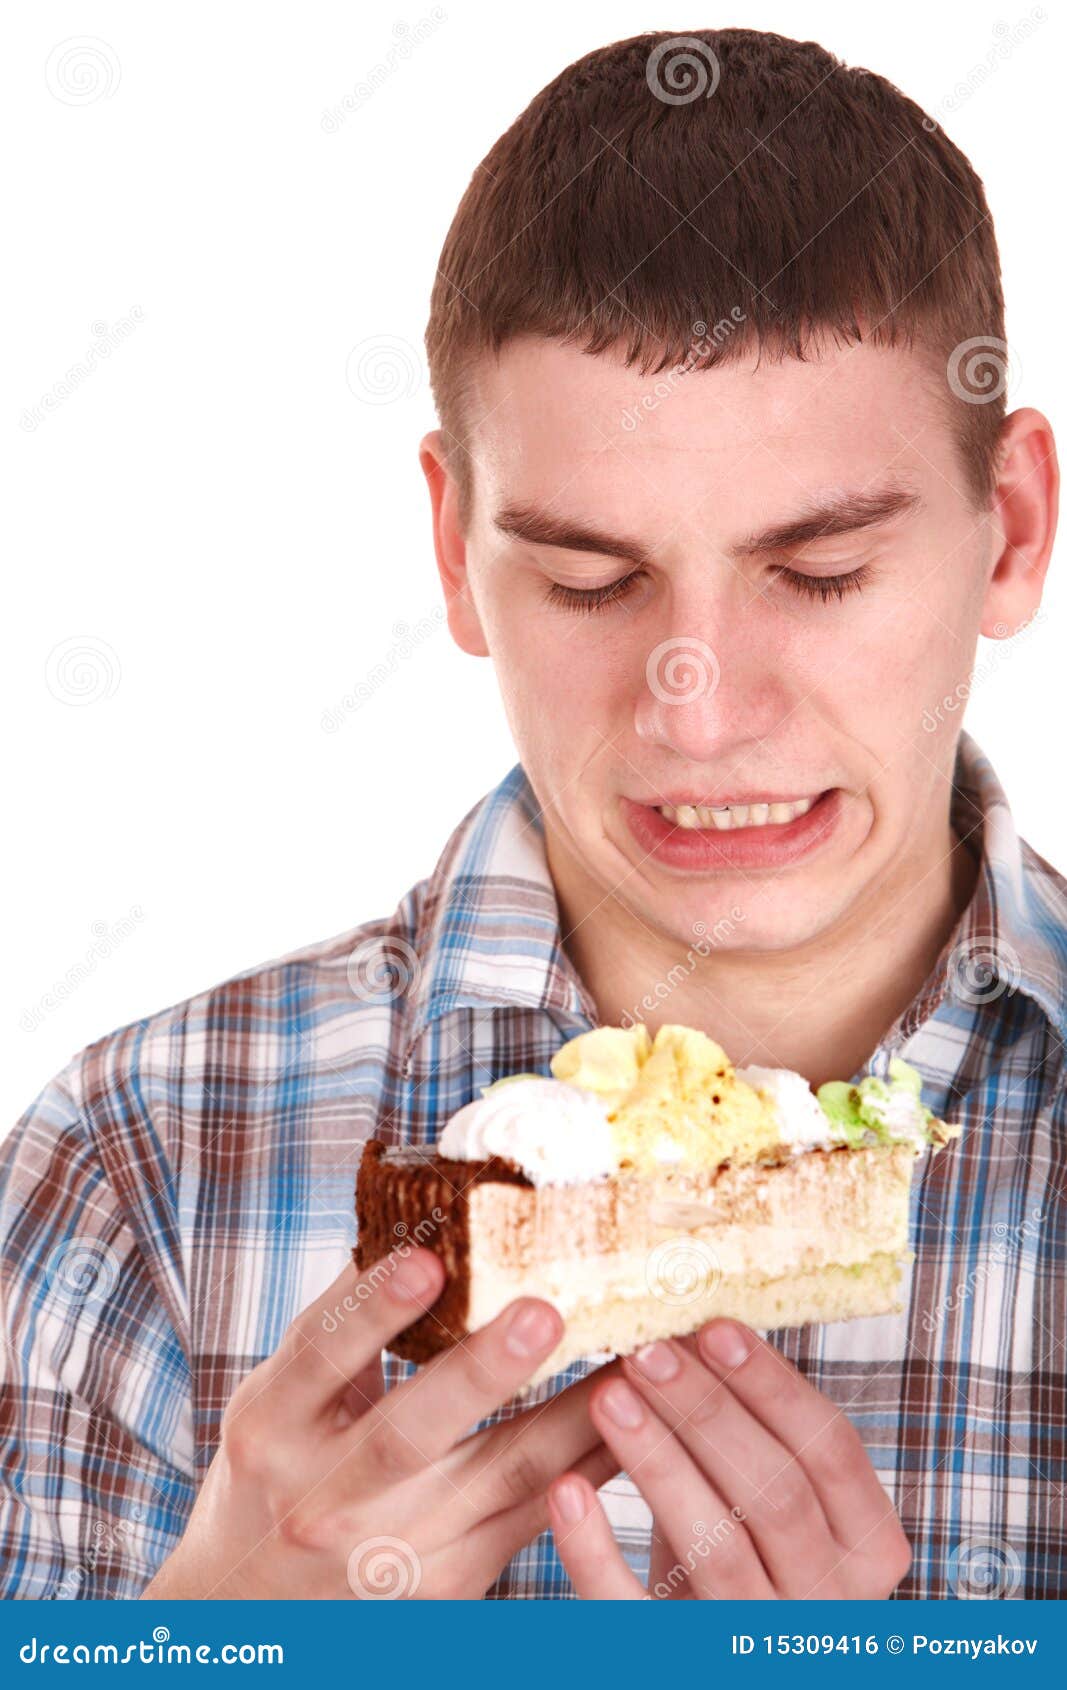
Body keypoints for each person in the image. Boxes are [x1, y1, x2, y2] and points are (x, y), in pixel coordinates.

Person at [2, 27, 1062, 1602]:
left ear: (1011, 532)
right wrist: (223, 1644)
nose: (700, 706)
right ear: (455, 550)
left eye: (820, 573)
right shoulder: (140, 1171)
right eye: (590, 580)